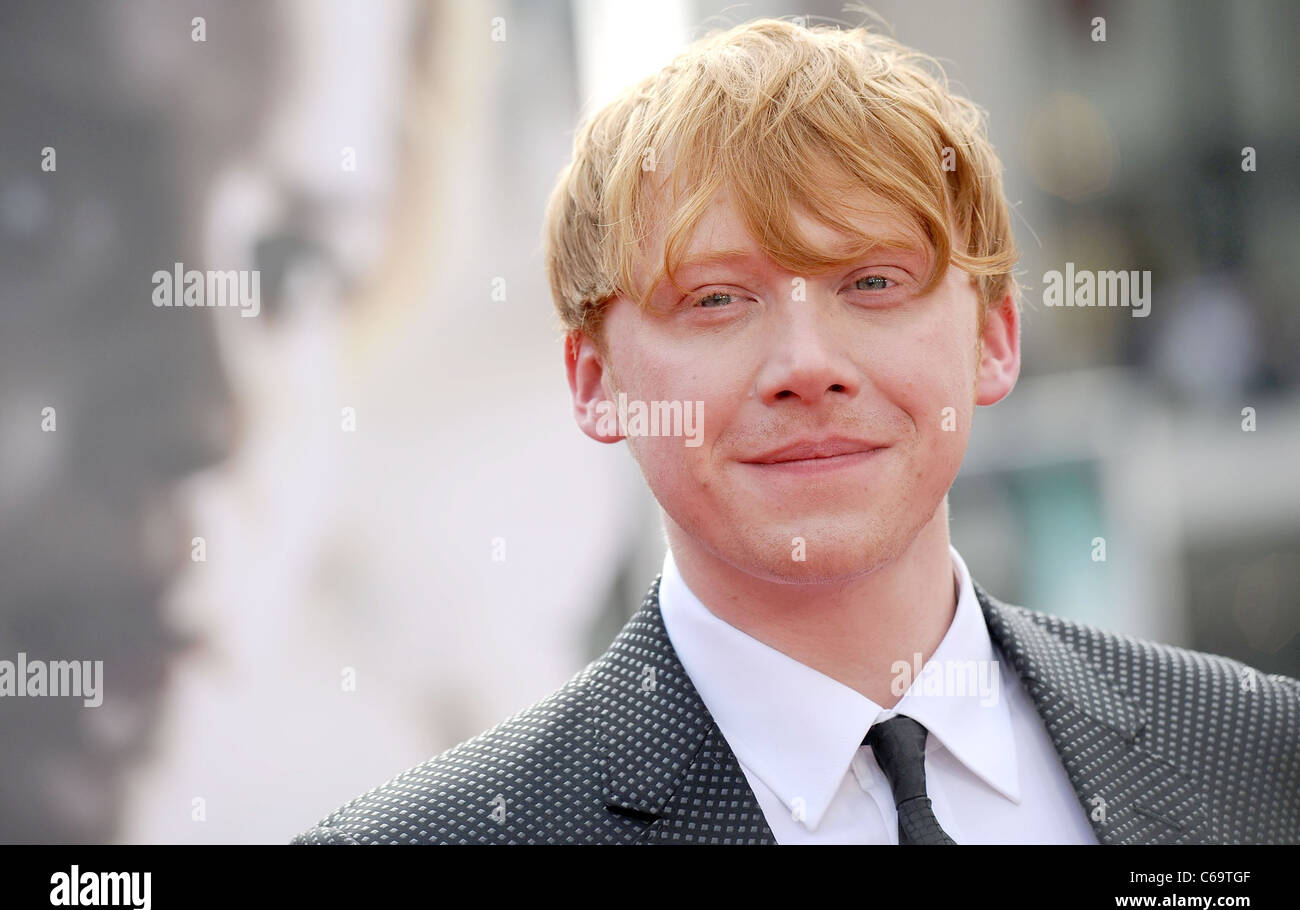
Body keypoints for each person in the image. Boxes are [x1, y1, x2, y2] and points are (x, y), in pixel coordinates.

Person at [291, 17, 1298, 845]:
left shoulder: (1256, 755)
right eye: (718, 298)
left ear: (993, 338)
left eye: (872, 281)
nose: (805, 363)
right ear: (595, 380)